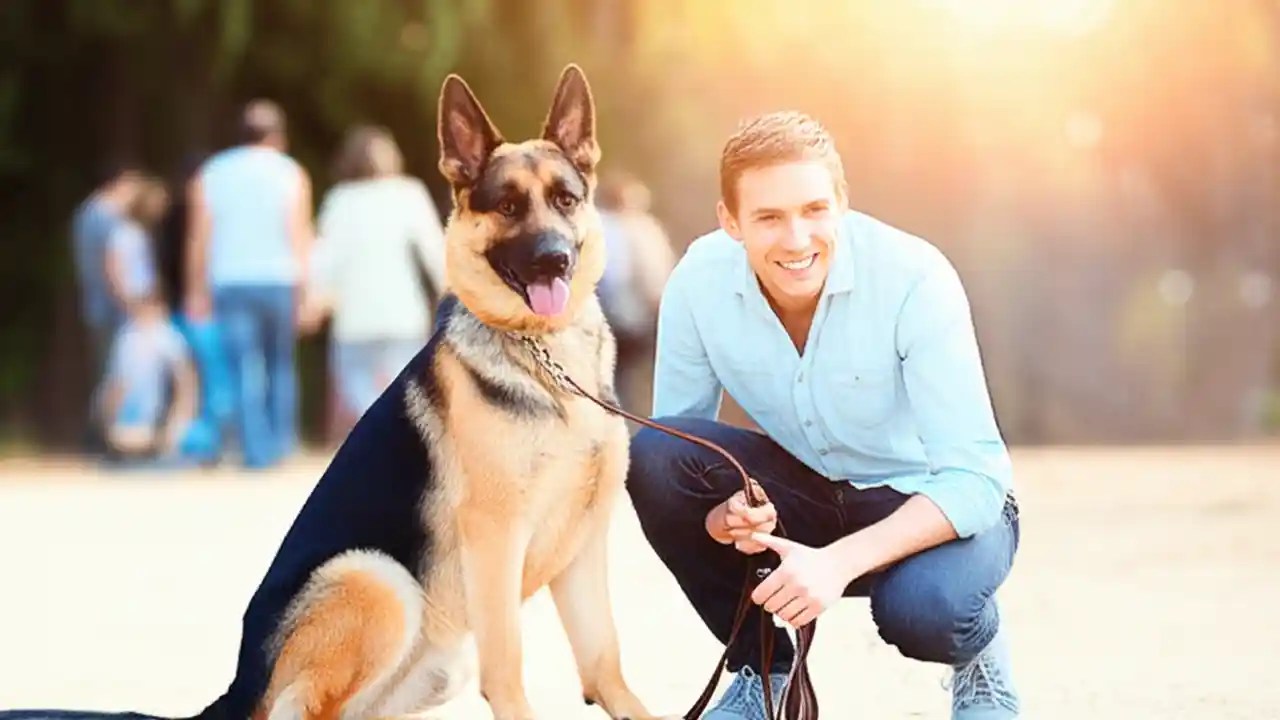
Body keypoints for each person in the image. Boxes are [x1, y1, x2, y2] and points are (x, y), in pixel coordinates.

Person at [625, 111, 1021, 719]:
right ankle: (764, 672)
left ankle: (979, 656)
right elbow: (681, 455)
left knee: (926, 614)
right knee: (651, 453)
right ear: (729, 221)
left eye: (814, 209)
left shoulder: (915, 277)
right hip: (807, 497)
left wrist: (837, 562)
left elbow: (975, 479)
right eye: (768, 217)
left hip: (931, 506)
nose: (796, 239)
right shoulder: (696, 284)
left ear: (841, 201)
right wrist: (720, 517)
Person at [185, 99, 313, 469]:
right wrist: (306, 292)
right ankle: (281, 445)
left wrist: (196, 290)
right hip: (279, 279)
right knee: (280, 365)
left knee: (242, 365)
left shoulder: (213, 173)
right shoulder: (290, 173)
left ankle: (254, 451)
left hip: (231, 281)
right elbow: (299, 234)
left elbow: (199, 237)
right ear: (277, 136)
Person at [300, 125, 447, 429]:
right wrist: (451, 289)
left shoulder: (340, 200)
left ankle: (379, 432)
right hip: (402, 312)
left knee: (357, 384)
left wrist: (314, 300)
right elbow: (434, 249)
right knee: (404, 387)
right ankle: (394, 439)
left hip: (355, 317)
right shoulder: (409, 193)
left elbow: (324, 259)